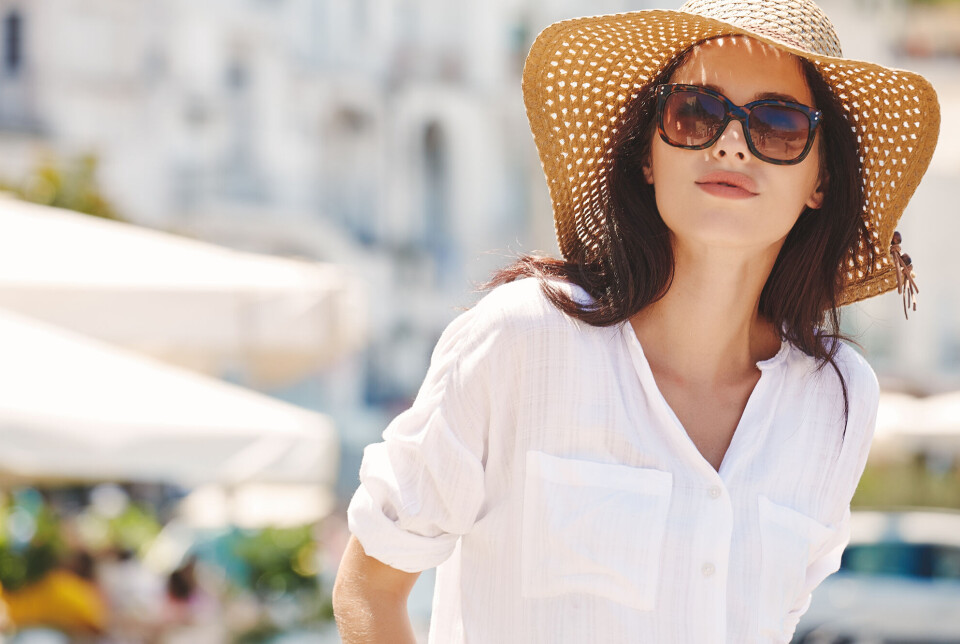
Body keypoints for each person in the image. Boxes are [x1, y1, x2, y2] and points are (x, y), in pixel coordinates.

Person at [333, 0, 940, 642]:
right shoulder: (520, 341)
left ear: (820, 179)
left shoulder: (838, 400)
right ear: (648, 155)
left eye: (779, 124)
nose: (732, 142)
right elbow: (370, 585)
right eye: (696, 113)